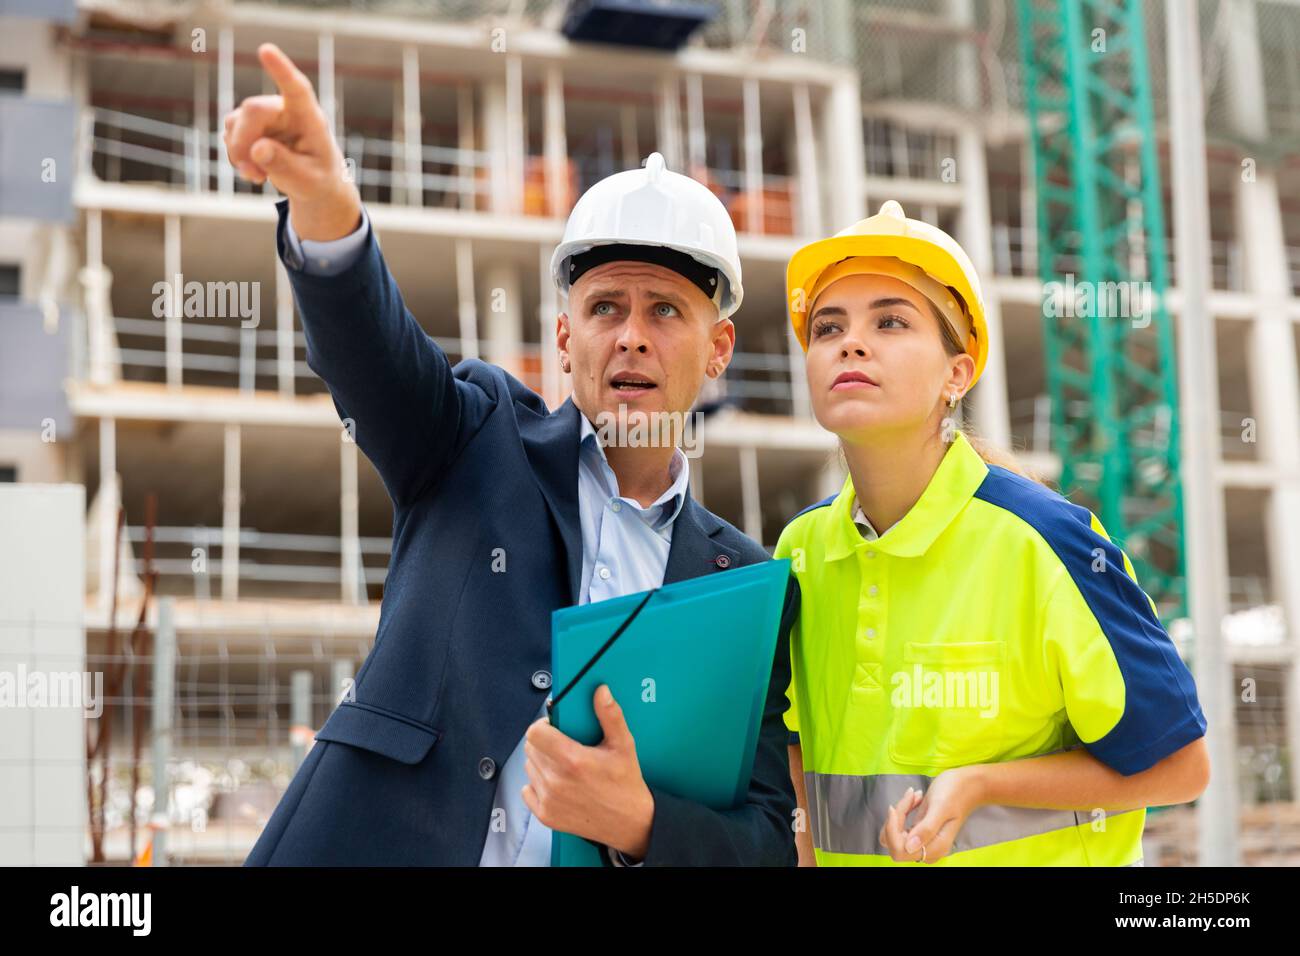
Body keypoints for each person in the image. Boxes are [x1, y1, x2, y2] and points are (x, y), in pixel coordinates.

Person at [229, 43, 799, 866]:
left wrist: (641, 824)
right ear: (566, 340)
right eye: (606, 307)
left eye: (667, 311)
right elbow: (374, 358)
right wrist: (326, 206)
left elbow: (764, 843)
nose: (632, 335)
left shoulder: (745, 587)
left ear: (718, 352)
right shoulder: (474, 440)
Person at [776, 200, 1210, 866]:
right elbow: (798, 753)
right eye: (828, 326)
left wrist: (981, 784)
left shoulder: (1049, 542)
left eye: (891, 321)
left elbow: (1182, 765)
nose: (849, 342)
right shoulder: (799, 552)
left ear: (957, 374)